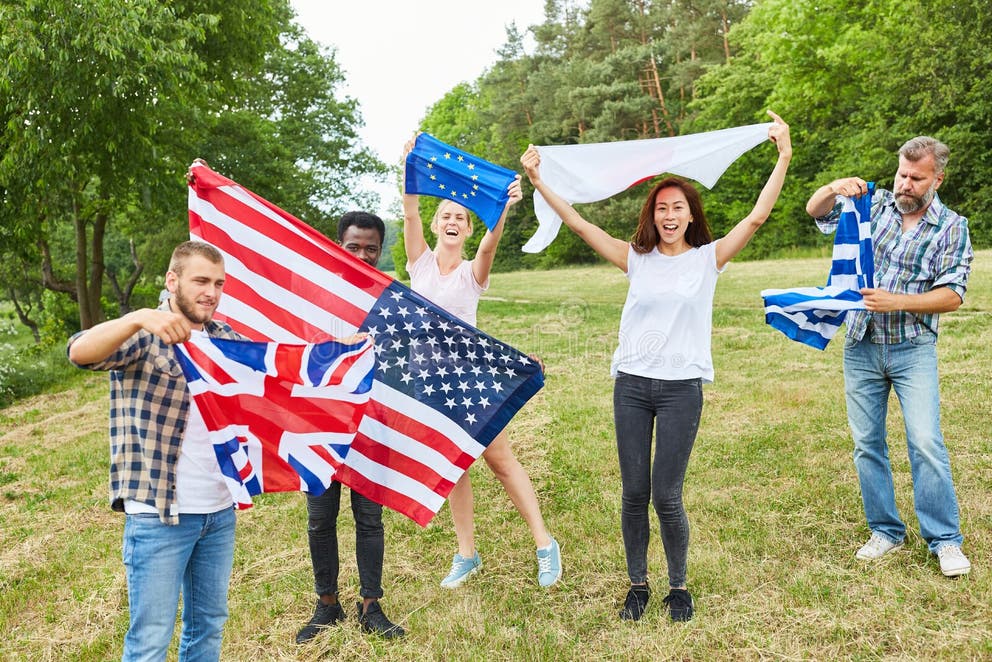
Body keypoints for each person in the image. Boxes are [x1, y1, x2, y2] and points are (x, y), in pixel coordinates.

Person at [521, 111, 792, 622]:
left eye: (679, 208)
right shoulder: (635, 259)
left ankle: (679, 586)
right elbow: (580, 223)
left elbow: (756, 218)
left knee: (667, 495)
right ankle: (638, 585)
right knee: (633, 492)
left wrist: (781, 158)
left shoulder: (708, 259)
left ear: (692, 216)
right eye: (662, 207)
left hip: (680, 390)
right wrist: (539, 180)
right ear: (653, 214)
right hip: (631, 387)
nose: (670, 215)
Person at [804, 136, 973, 577]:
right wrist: (832, 189)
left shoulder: (952, 226)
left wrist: (897, 300)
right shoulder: (872, 207)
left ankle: (946, 540)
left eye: (916, 178)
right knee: (867, 445)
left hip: (912, 349)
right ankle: (885, 531)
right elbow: (816, 213)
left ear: (937, 178)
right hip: (860, 345)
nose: (906, 184)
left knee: (925, 443)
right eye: (902, 174)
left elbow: (953, 295)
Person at [67, 241, 241, 661]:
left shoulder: (226, 339)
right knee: (150, 639)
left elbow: (278, 375)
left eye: (218, 283)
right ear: (172, 280)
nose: (211, 292)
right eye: (201, 280)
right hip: (159, 514)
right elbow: (79, 353)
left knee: (208, 628)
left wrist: (339, 350)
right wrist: (138, 317)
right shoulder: (144, 336)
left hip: (218, 512)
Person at [402, 136, 563, 590]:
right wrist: (409, 166)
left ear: (468, 230)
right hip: (429, 379)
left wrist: (505, 207)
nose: (453, 221)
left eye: (461, 218)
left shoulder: (474, 272)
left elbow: (492, 245)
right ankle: (466, 554)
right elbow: (410, 211)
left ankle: (545, 544)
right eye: (446, 216)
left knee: (500, 459)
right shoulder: (419, 265)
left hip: (471, 379)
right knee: (454, 466)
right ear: (437, 226)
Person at [295, 211, 405, 643]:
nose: (363, 254)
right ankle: (327, 604)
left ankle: (370, 605)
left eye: (371, 248)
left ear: (380, 251)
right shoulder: (312, 297)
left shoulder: (391, 301)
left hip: (370, 425)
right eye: (354, 246)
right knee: (320, 519)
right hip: (320, 424)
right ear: (337, 245)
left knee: (369, 518)